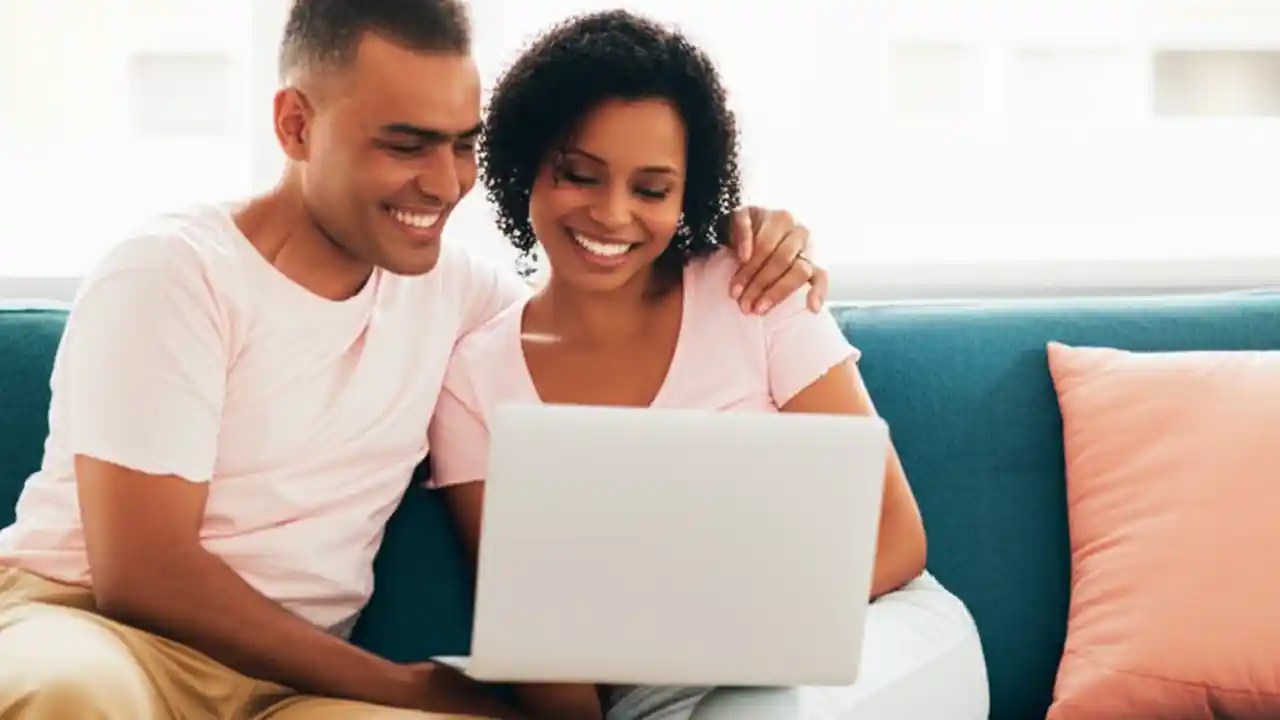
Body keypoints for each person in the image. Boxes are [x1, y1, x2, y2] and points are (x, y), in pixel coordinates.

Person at [0, 2, 831, 719]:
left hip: (291, 690)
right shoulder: (174, 272)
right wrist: (404, 688)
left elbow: (604, 306)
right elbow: (143, 574)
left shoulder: (459, 296)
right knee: (70, 693)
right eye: (406, 145)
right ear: (295, 126)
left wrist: (747, 236)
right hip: (95, 631)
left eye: (462, 145)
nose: (444, 183)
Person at [427, 11, 990, 720]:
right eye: (580, 174)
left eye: (651, 189)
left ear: (686, 195)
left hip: (877, 640)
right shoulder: (475, 380)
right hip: (663, 698)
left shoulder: (755, 291)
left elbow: (897, 538)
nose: (612, 214)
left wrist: (714, 642)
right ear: (526, 164)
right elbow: (539, 646)